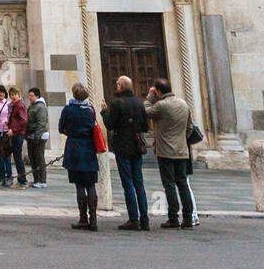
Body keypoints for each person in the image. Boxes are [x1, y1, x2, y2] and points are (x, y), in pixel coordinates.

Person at [145, 77, 196, 230]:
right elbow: (190, 128)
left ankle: (173, 218)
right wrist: (181, 140)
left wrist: (150, 97)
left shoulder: (162, 105)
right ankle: (187, 218)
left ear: (159, 91)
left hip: (166, 152)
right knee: (182, 184)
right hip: (182, 151)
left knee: (169, 185)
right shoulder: (183, 104)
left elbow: (145, 110)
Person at [101, 75, 150, 231]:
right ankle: (145, 219)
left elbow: (110, 125)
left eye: (117, 85)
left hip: (123, 146)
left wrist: (104, 112)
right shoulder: (139, 102)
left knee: (128, 183)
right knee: (139, 183)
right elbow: (145, 127)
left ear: (121, 87)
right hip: (137, 147)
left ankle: (133, 219)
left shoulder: (117, 104)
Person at [59, 83, 100, 231]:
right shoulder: (91, 110)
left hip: (74, 148)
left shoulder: (69, 110)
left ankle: (83, 218)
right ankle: (93, 219)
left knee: (79, 185)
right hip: (89, 148)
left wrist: (71, 132)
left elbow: (60, 128)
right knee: (90, 184)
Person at [25, 86, 49, 189]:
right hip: (31, 135)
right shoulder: (31, 106)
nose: (30, 97)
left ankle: (42, 180)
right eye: (29, 95)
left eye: (32, 96)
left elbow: (41, 123)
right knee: (32, 158)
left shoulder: (40, 107)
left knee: (39, 158)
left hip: (39, 136)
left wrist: (37, 137)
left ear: (37, 96)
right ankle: (36, 179)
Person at [5, 86, 29, 188]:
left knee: (18, 158)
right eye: (11, 95)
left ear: (18, 95)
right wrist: (9, 124)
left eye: (14, 94)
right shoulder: (15, 106)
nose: (13, 96)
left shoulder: (19, 106)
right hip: (16, 133)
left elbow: (24, 121)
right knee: (17, 157)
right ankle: (22, 180)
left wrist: (13, 130)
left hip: (18, 134)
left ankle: (22, 181)